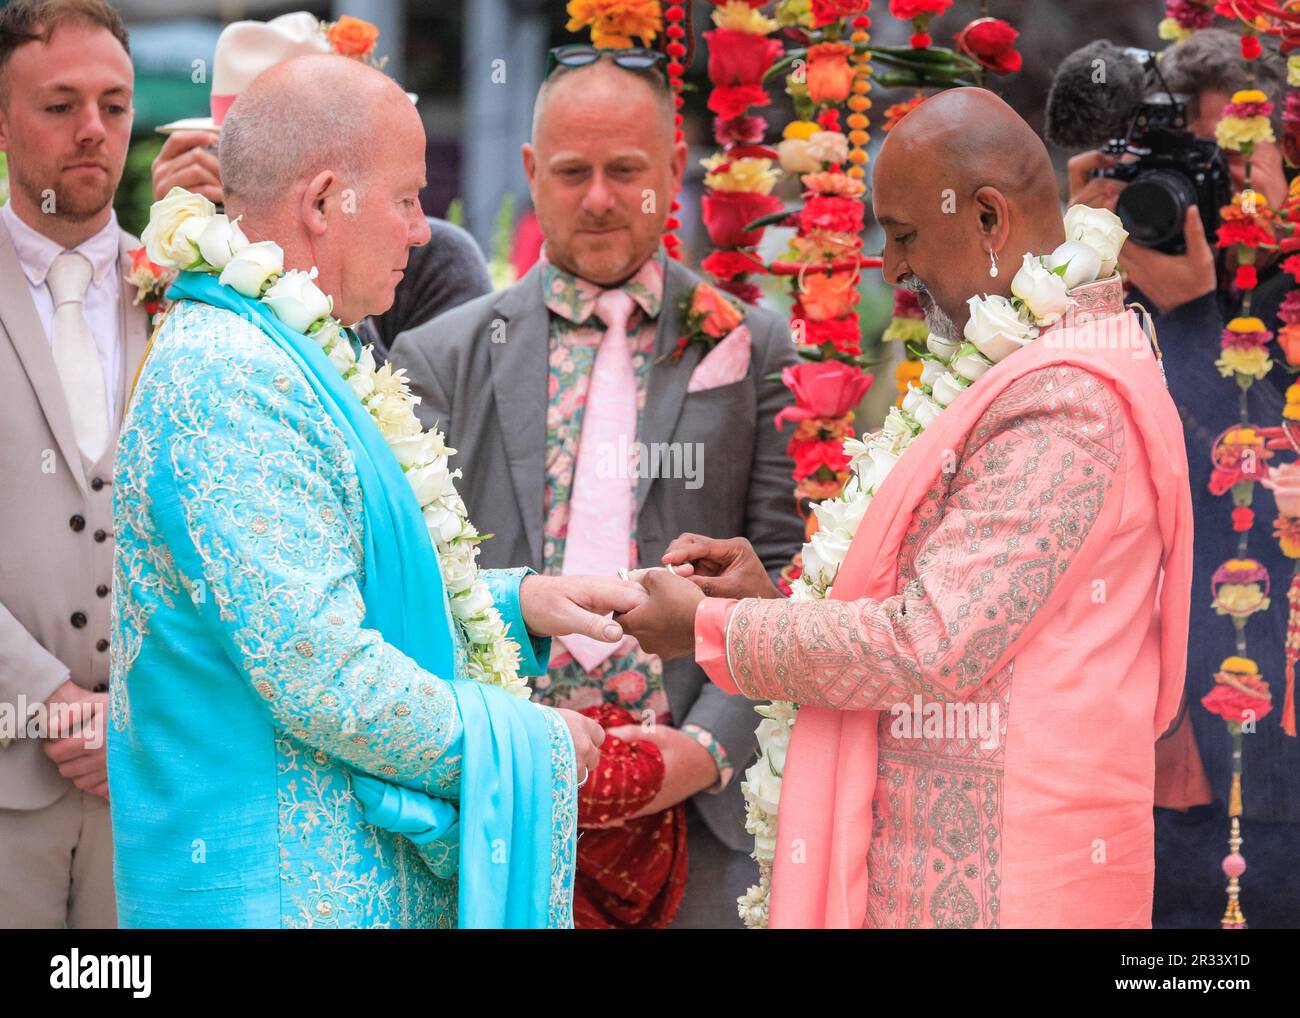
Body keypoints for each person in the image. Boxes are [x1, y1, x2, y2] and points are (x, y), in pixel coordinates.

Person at [616, 87, 1194, 929]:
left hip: (1012, 881)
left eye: (908, 234)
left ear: (989, 219)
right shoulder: (1028, 368)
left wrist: (712, 632)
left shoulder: (1067, 399)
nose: (891, 269)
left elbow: (933, 644)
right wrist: (761, 607)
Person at [109, 53, 646, 928]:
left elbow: (334, 582)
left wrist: (517, 601)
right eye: (406, 199)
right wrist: (541, 745)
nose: (424, 232)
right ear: (324, 203)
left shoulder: (288, 352)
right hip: (267, 893)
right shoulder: (228, 376)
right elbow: (320, 672)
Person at [389, 51, 804, 928]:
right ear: (534, 173)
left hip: (700, 808)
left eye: (626, 172)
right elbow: (411, 577)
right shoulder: (438, 357)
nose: (602, 198)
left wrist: (702, 750)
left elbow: (786, 567)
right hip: (499, 804)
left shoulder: (755, 347)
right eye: (573, 173)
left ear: (673, 169)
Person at [1069, 27, 1300, 928]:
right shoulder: (1109, 288)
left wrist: (1198, 319)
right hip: (1134, 771)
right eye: (1196, 165)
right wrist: (1077, 259)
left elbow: (1257, 477)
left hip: (1278, 775)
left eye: (1242, 169)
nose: (1211, 198)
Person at [0, 0, 150, 929]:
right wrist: (42, 696)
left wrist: (139, 714)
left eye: (114, 104)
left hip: (157, 794)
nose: (94, 130)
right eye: (60, 105)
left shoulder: (194, 296)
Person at [149, 11, 490, 362]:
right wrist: (177, 243)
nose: (238, 187)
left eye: (278, 159)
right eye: (228, 159)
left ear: (321, 199)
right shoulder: (198, 323)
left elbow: (424, 410)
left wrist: (329, 306)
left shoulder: (433, 262)